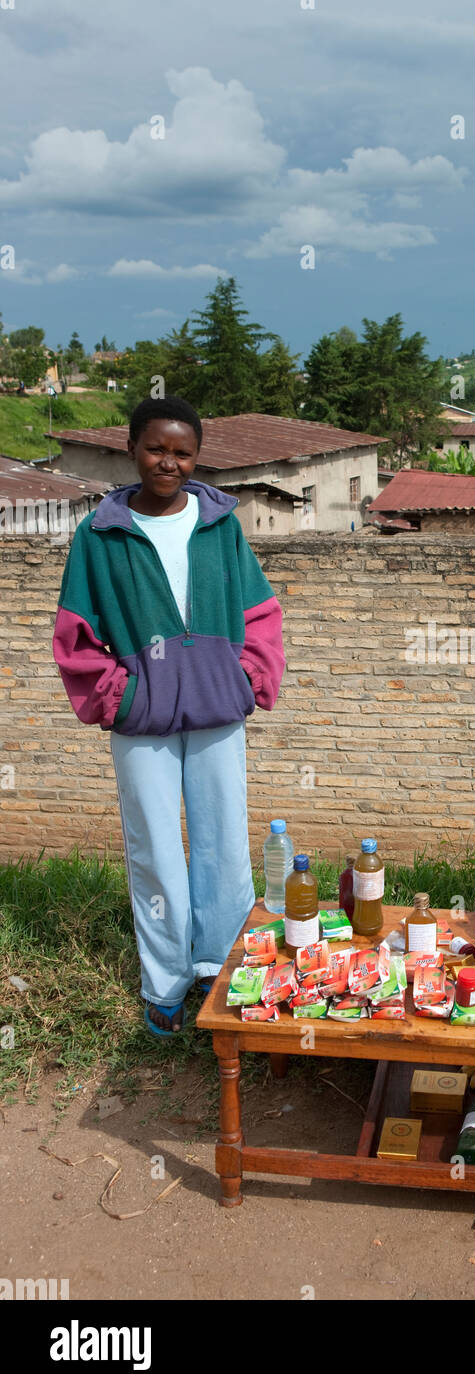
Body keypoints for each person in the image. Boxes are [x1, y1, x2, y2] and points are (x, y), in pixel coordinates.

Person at [53, 396, 285, 1035]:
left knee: (223, 844)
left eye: (184, 452)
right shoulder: (101, 534)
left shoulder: (220, 525)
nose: (170, 462)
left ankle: (221, 966)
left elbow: (260, 615)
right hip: (142, 721)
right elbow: (75, 634)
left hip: (217, 711)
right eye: (157, 448)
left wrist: (247, 679)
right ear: (132, 448)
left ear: (197, 457)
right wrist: (119, 697)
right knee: (154, 848)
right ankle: (165, 984)